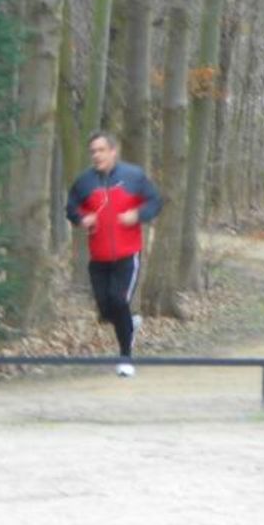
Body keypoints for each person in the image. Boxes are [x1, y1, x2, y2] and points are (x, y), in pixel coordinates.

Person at [65, 131, 163, 377]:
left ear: (113, 151)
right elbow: (71, 207)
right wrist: (81, 218)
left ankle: (125, 358)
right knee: (105, 310)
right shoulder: (84, 181)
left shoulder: (134, 176)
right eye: (93, 151)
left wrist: (137, 215)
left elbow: (154, 201)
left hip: (127, 255)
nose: (96, 155)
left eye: (101, 150)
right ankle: (129, 323)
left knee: (119, 301)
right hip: (98, 258)